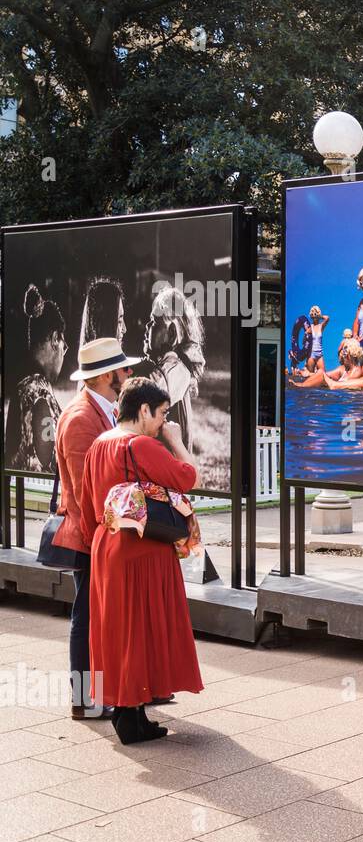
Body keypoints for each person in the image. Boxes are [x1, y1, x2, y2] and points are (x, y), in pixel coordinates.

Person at [77, 377, 203, 745]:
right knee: (141, 629)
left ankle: (129, 712)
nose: (164, 422)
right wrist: (177, 441)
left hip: (107, 543)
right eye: (162, 414)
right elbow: (187, 476)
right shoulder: (140, 445)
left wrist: (98, 540)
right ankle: (132, 716)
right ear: (144, 410)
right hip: (141, 547)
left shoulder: (99, 444)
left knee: (115, 630)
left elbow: (88, 506)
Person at [54, 338, 140, 720]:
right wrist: (104, 541)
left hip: (98, 535)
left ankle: (104, 695)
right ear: (107, 375)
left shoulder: (101, 410)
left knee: (94, 617)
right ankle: (84, 700)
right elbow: (84, 491)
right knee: (85, 619)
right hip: (90, 537)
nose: (130, 373)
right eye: (124, 369)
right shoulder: (80, 418)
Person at [7, 286, 67, 473]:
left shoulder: (24, 385)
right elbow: (44, 468)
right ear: (55, 339)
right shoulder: (38, 393)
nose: (63, 356)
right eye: (64, 347)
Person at [143, 284, 206, 450]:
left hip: (171, 466)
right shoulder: (170, 365)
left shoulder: (176, 369)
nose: (147, 327)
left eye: (154, 322)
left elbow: (144, 393)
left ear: (171, 334)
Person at [307, 306, 329, 373]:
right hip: (311, 354)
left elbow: (327, 318)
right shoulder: (310, 327)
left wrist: (319, 315)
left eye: (315, 315)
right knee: (310, 375)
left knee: (323, 374)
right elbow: (304, 340)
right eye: (313, 316)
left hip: (319, 354)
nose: (314, 317)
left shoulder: (321, 326)